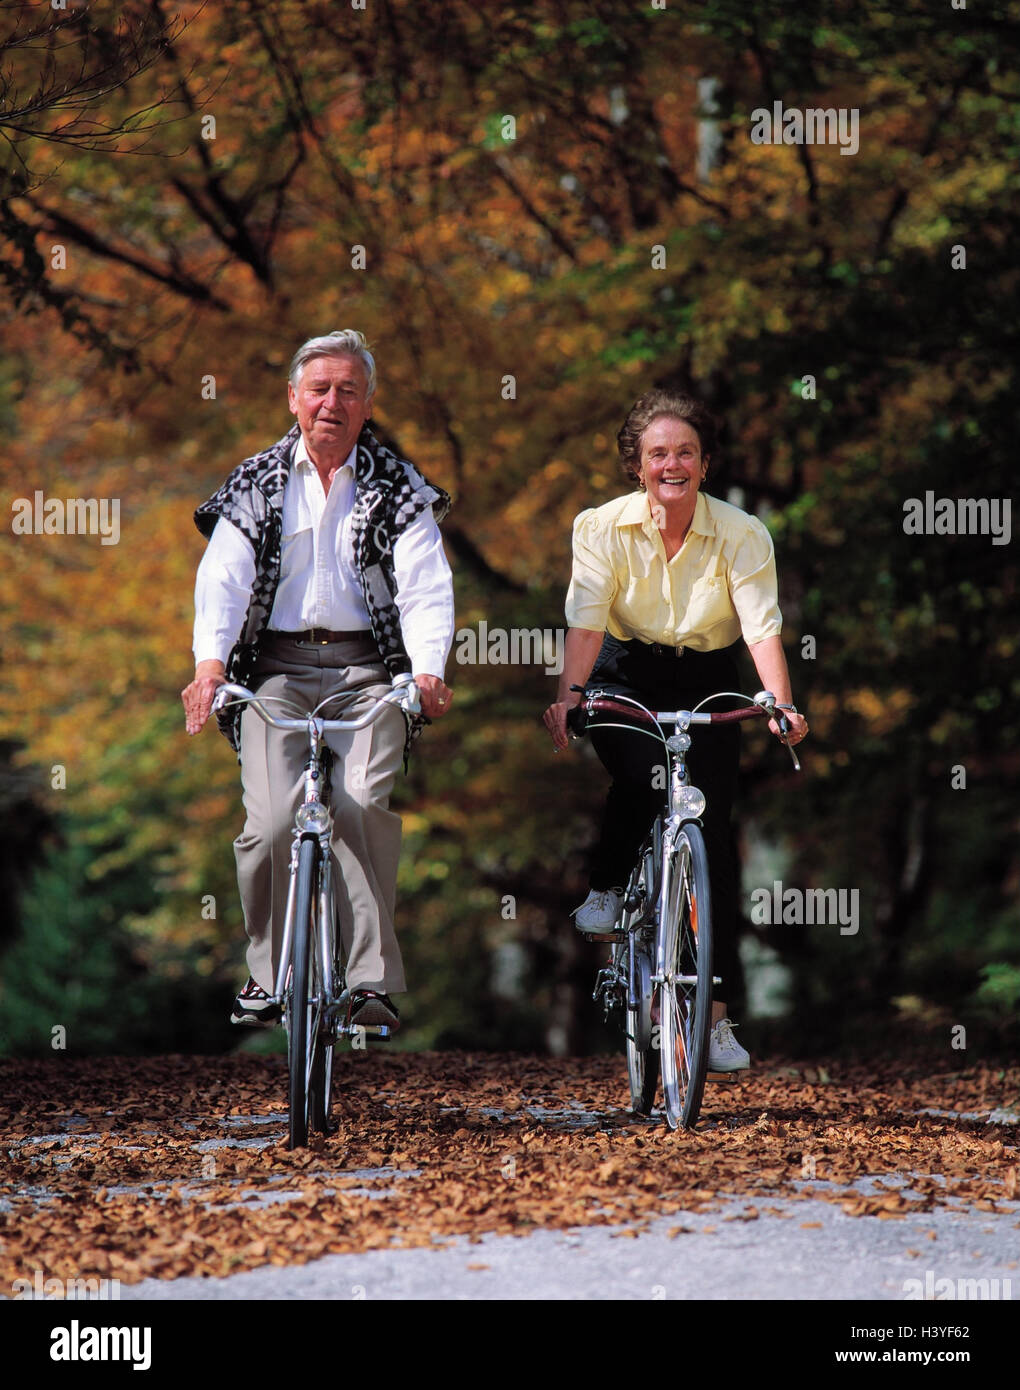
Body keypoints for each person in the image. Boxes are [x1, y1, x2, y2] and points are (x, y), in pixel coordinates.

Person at [181, 330, 455, 1032]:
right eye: (320, 389)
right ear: (294, 399)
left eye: (348, 391)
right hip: (273, 670)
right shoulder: (257, 481)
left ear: (368, 406)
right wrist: (210, 666)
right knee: (273, 821)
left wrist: (427, 670)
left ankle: (368, 983)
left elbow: (426, 587)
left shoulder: (399, 486)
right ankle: (268, 972)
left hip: (370, 671)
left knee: (360, 806)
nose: (332, 402)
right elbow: (223, 581)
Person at [542, 390, 808, 1071]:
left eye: (686, 452)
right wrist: (571, 696)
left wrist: (780, 704)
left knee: (712, 836)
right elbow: (586, 621)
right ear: (637, 466)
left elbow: (761, 628)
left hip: (707, 674)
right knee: (642, 777)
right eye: (658, 453)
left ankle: (712, 1018)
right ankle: (607, 888)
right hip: (625, 669)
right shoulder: (600, 527)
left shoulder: (743, 534)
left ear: (705, 464)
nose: (673, 464)